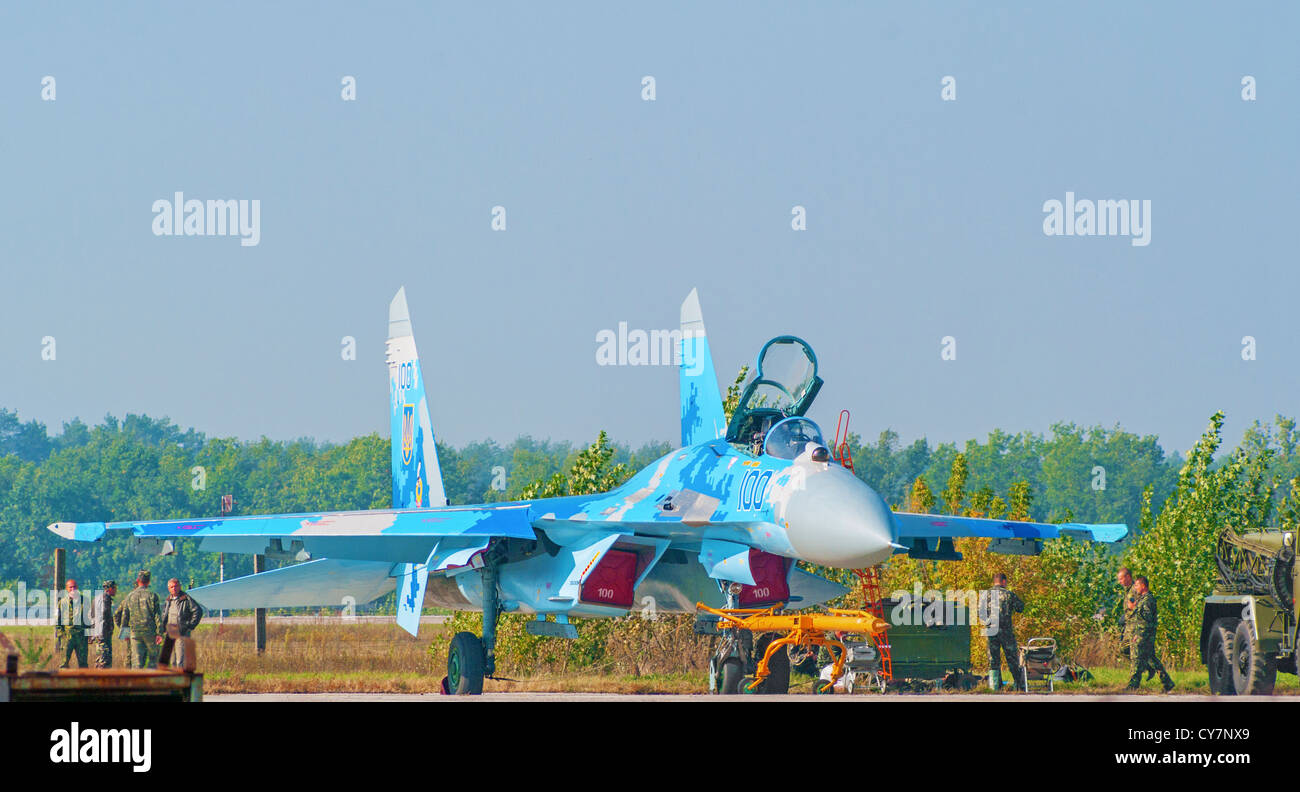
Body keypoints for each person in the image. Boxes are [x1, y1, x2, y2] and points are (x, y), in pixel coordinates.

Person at [1127, 576, 1175, 692]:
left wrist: (1139, 634)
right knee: (1151, 658)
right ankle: (1167, 682)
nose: (1136, 588)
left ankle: (1133, 684)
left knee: (1136, 657)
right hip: (1145, 634)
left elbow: (1147, 620)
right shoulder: (1143, 599)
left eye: (1137, 585)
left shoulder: (1148, 600)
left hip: (1145, 634)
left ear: (1143, 586)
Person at [981, 572, 1025, 690]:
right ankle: (1018, 686)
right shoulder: (1009, 594)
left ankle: (995, 687)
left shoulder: (986, 595)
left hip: (991, 632)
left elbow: (980, 614)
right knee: (1012, 658)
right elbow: (1020, 608)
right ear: (1004, 581)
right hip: (1006, 632)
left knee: (993, 660)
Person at [115, 570, 161, 669]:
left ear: (137, 580)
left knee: (136, 663)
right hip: (150, 633)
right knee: (153, 660)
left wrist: (124, 633)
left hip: (134, 633)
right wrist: (159, 633)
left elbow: (125, 616)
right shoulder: (152, 595)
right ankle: (152, 681)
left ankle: (137, 682)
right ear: (148, 581)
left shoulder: (130, 596)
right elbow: (157, 616)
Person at [161, 578, 203, 668]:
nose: (174, 588)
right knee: (171, 660)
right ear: (169, 588)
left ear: (180, 587)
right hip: (170, 633)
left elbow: (198, 611)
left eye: (176, 586)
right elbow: (164, 616)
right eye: (171, 587)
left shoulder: (186, 598)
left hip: (182, 633)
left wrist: (190, 625)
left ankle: (180, 680)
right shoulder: (168, 600)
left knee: (180, 660)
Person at [57, 578, 89, 669]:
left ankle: (84, 682)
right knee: (64, 663)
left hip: (81, 637)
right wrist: (61, 635)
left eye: (74, 587)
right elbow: (57, 621)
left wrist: (89, 634)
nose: (73, 589)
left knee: (83, 664)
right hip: (67, 637)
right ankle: (64, 682)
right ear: (67, 589)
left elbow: (90, 619)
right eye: (70, 587)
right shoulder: (62, 602)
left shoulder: (85, 601)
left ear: (77, 587)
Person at [89, 580, 117, 668]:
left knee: (100, 659)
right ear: (109, 589)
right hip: (103, 636)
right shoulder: (105, 600)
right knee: (105, 661)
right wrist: (103, 636)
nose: (116, 590)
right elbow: (103, 617)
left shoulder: (96, 599)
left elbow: (90, 616)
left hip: (97, 635)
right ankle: (102, 680)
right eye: (114, 588)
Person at [1115, 567, 1136, 661]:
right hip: (1129, 624)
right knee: (1125, 648)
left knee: (1125, 648)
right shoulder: (1128, 590)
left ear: (1128, 577)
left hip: (1135, 624)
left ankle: (1142, 667)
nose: (1119, 582)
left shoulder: (1135, 590)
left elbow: (1136, 609)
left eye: (1121, 579)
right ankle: (1144, 667)